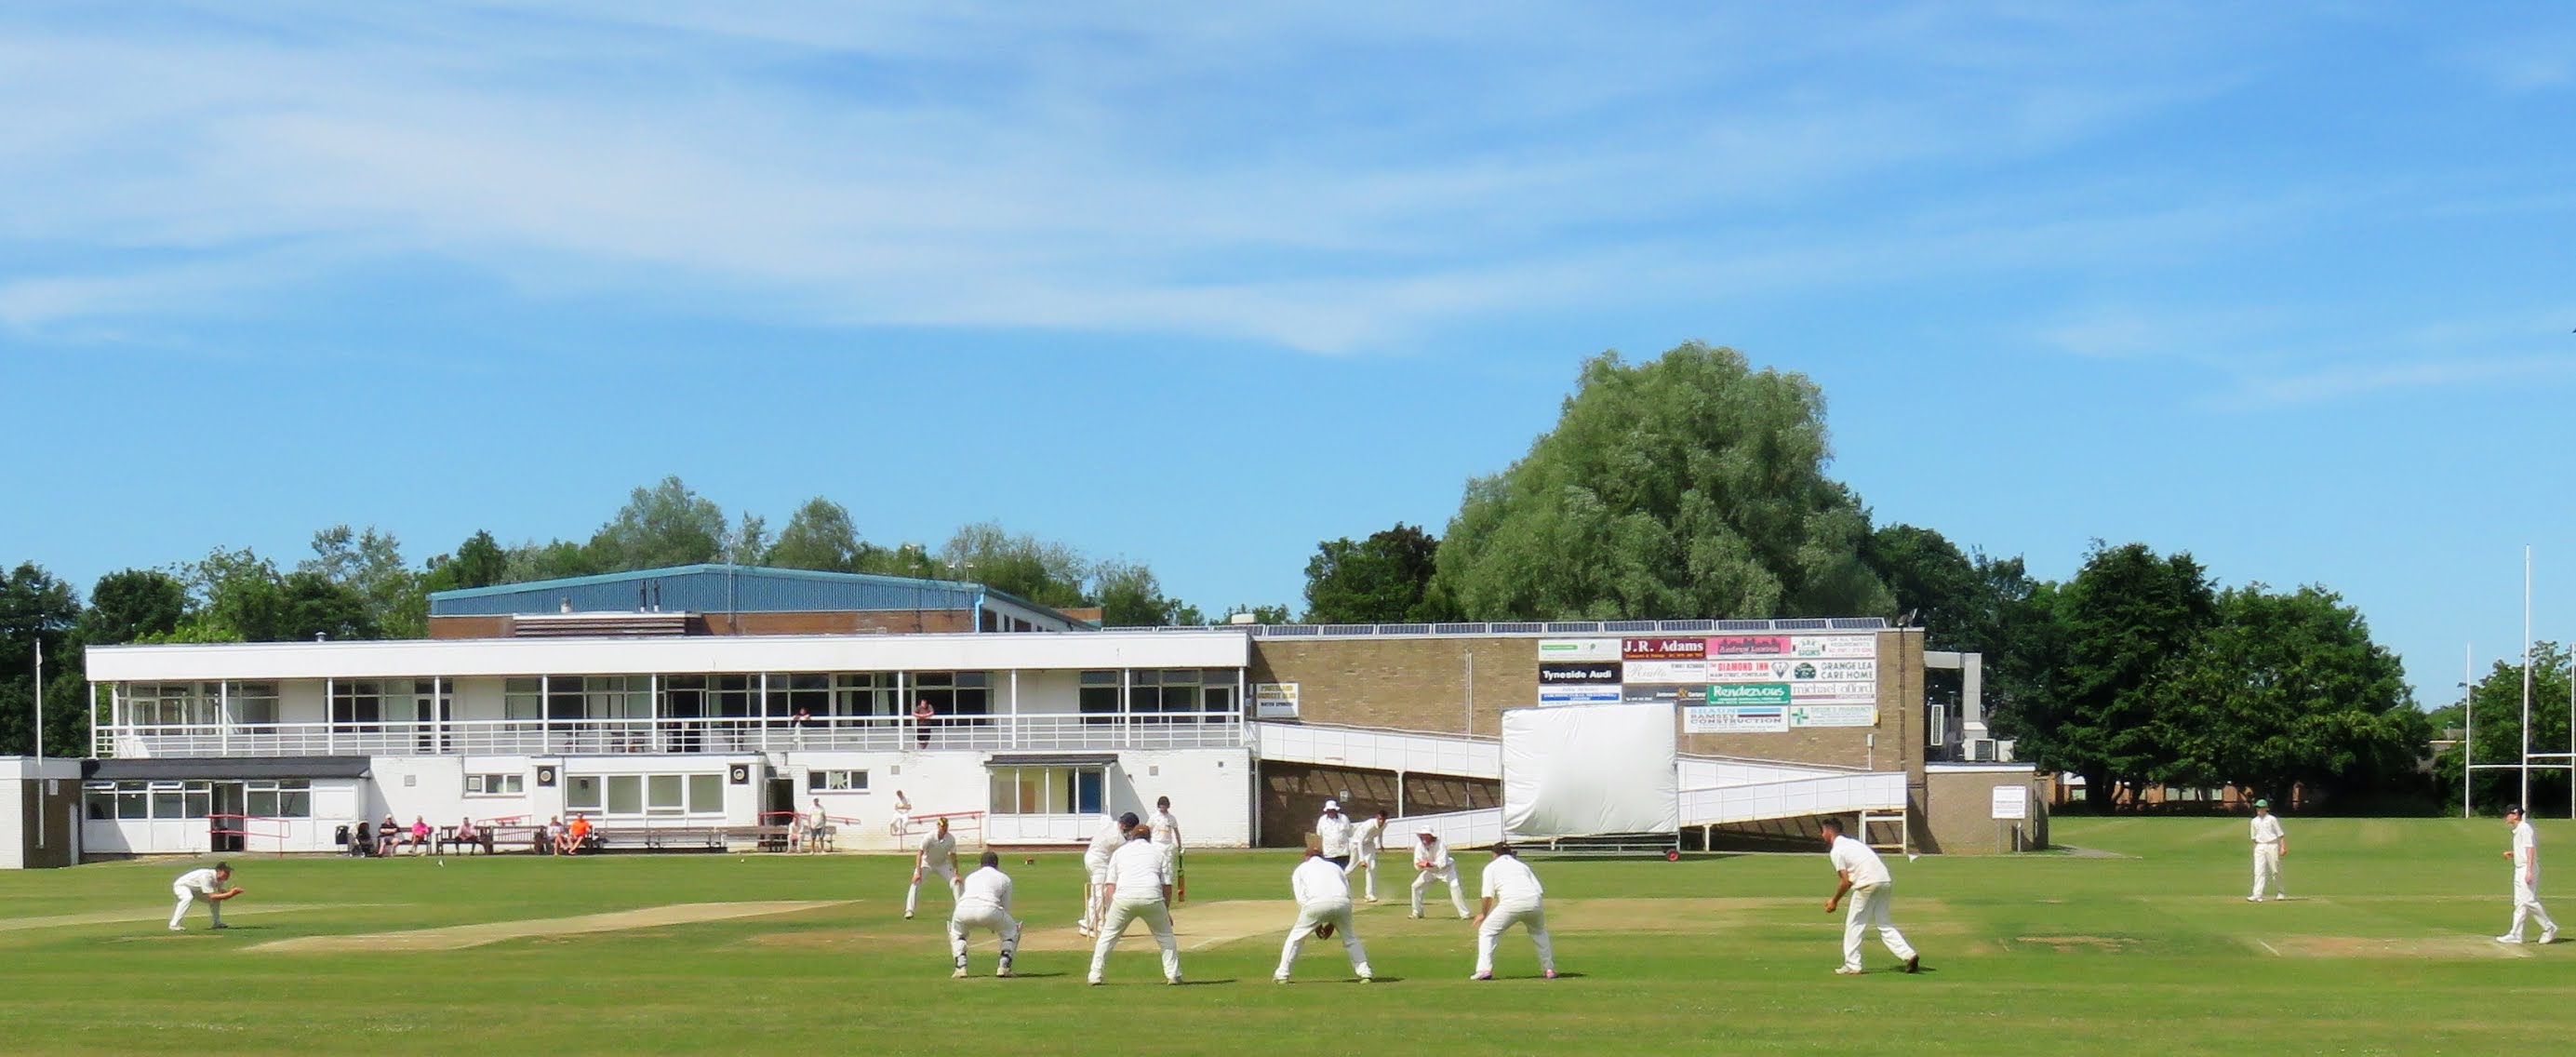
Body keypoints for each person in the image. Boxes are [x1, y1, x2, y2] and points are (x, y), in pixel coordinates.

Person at [1088, 816, 1182, 985]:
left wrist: (1111, 909)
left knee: (1107, 938)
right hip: (1152, 897)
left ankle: (1095, 975)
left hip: (1123, 898)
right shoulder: (1158, 852)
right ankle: (1173, 975)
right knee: (1166, 936)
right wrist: (1165, 910)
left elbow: (1110, 885)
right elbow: (1166, 886)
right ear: (1149, 838)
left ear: (1131, 836)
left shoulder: (1120, 852)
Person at [1822, 818, 1920, 975]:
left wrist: (1834, 901)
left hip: (1867, 883)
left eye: (1823, 832)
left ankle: (1853, 965)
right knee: (1884, 923)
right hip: (1884, 880)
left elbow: (1845, 881)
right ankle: (1908, 954)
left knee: (1854, 924)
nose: (1822, 835)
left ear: (1828, 831)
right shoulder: (1854, 843)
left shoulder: (1837, 850)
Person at [1275, 847, 1373, 983]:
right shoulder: (1335, 867)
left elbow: (1301, 898)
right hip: (1343, 903)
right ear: (1322, 857)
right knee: (1350, 939)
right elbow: (1347, 890)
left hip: (1316, 904)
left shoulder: (1301, 869)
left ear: (1306, 857)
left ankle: (1282, 975)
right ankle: (1365, 973)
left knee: (1295, 939)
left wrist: (1316, 922)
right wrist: (1333, 921)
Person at [1471, 844, 1554, 980]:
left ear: (1494, 854)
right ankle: (1549, 969)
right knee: (1539, 933)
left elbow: (1487, 895)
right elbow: (1539, 890)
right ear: (1511, 853)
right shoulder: (1522, 866)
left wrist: (1483, 914)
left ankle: (1484, 970)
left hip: (1511, 904)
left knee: (1487, 931)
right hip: (1534, 901)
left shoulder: (1491, 867)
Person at [949, 850, 1022, 979]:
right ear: (997, 865)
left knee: (956, 934)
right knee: (1012, 930)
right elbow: (1006, 907)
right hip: (989, 909)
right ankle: (1004, 966)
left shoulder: (971, 877)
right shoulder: (1004, 878)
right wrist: (996, 924)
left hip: (962, 909)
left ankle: (961, 967)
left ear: (981, 864)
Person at [2497, 805, 2560, 944]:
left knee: (2528, 901)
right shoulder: (2518, 830)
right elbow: (2524, 849)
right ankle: (2516, 934)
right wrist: (2513, 854)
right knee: (2520, 903)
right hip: (2520, 868)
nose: (2506, 817)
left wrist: (2529, 871)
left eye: (2508, 814)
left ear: (2515, 815)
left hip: (2526, 868)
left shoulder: (2525, 828)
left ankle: (2549, 927)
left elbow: (2530, 849)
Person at [1078, 813, 1128, 937]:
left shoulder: (1108, 822)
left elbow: (1104, 817)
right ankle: (1087, 923)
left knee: (1105, 893)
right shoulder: (1118, 839)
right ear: (1123, 825)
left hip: (1091, 858)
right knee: (1099, 893)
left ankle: (1103, 923)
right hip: (1099, 863)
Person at [905, 817, 962, 919]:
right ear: (938, 826)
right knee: (915, 882)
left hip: (942, 864)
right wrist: (918, 872)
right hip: (926, 863)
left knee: (955, 882)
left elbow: (953, 856)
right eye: (942, 826)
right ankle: (909, 910)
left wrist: (956, 873)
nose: (944, 828)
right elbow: (920, 853)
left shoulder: (950, 839)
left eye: (946, 826)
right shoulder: (929, 837)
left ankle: (960, 910)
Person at [1409, 830, 1471, 919]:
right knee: (1415, 886)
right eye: (1422, 836)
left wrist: (1430, 864)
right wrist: (1421, 865)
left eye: (1426, 836)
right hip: (1430, 871)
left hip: (1447, 870)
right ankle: (1417, 913)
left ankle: (1465, 914)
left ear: (1431, 836)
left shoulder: (1440, 844)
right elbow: (1417, 863)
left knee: (1455, 887)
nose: (1424, 838)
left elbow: (1442, 863)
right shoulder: (1419, 846)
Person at [169, 862, 239, 931]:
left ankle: (217, 923)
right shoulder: (206, 876)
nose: (228, 875)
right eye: (226, 872)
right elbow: (212, 896)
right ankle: (174, 925)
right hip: (182, 885)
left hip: (197, 889)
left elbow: (222, 896)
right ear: (218, 871)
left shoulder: (221, 879)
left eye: (229, 872)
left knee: (216, 900)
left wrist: (231, 893)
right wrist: (231, 893)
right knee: (188, 898)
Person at [2248, 798, 2288, 902]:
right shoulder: (2254, 821)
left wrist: (2282, 847)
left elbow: (2280, 834)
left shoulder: (2272, 819)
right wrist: (2255, 849)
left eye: (2261, 807)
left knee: (2275, 870)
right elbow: (2254, 838)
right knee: (2259, 871)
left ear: (2266, 808)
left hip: (2272, 845)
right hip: (2260, 846)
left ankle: (2281, 892)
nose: (2259, 809)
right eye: (2257, 807)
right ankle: (2257, 894)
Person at [1148, 796, 1184, 896]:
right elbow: (1147, 830)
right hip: (1156, 845)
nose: (1163, 807)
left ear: (1168, 806)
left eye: (1164, 805)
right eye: (1161, 805)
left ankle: (1166, 890)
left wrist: (1180, 846)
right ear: (1158, 806)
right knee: (1157, 867)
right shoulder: (1153, 817)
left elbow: (1176, 832)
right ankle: (1156, 889)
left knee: (1168, 869)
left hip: (1168, 846)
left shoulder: (1171, 818)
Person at [1350, 809, 1388, 903]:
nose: (1381, 821)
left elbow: (1380, 833)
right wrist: (1362, 860)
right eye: (1379, 819)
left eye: (1383, 819)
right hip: (1356, 844)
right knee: (1351, 868)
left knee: (1372, 867)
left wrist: (1381, 844)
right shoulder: (1369, 825)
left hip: (1369, 844)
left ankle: (1369, 895)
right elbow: (1360, 842)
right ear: (1376, 817)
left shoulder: (1385, 824)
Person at [1316, 799, 1354, 869]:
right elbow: (1319, 835)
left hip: (1343, 853)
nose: (1331, 812)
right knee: (1330, 873)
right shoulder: (1322, 820)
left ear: (1336, 810)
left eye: (1332, 810)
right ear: (1326, 811)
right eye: (1329, 810)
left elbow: (1350, 833)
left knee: (1343, 873)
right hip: (1328, 853)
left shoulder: (1344, 818)